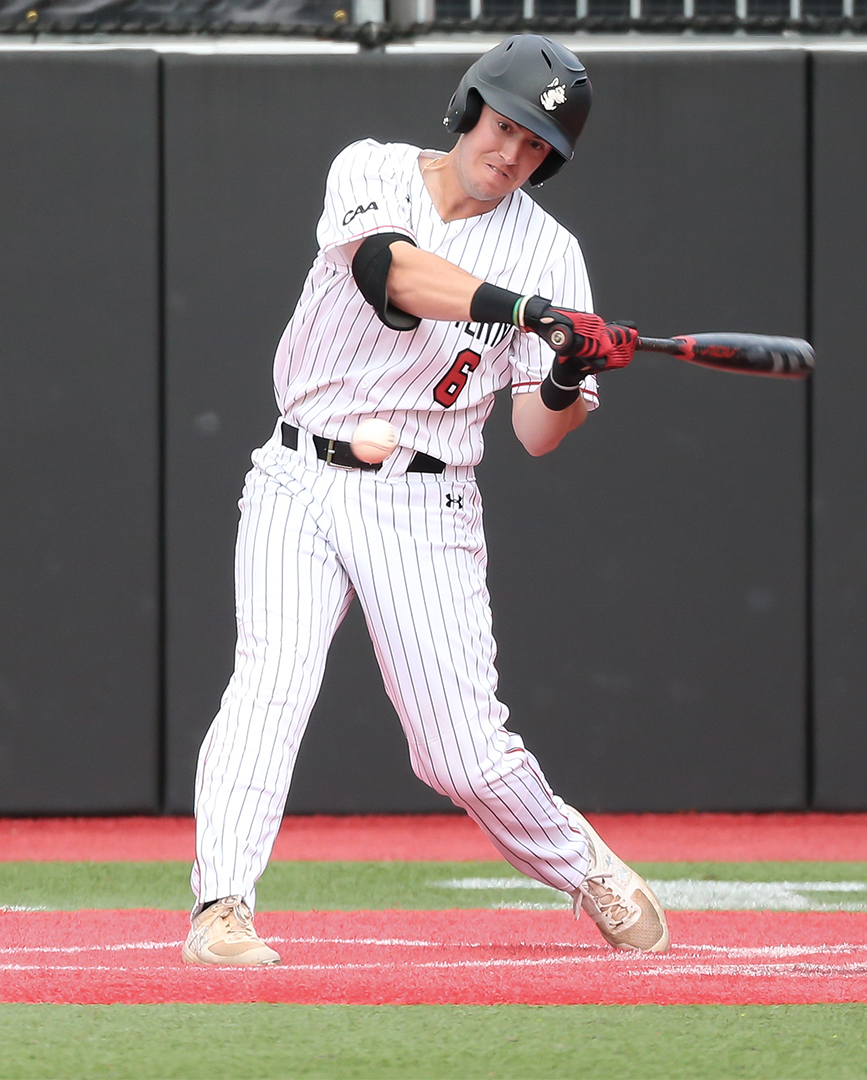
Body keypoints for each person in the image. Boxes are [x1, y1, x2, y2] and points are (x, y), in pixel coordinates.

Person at [180, 35, 669, 966]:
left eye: (537, 147)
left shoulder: (551, 251)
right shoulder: (372, 168)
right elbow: (389, 275)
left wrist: (566, 372)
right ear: (470, 104)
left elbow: (534, 432)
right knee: (271, 684)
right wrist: (528, 315)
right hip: (299, 473)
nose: (514, 153)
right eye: (508, 125)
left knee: (461, 753)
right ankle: (222, 907)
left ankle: (585, 866)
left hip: (424, 501)